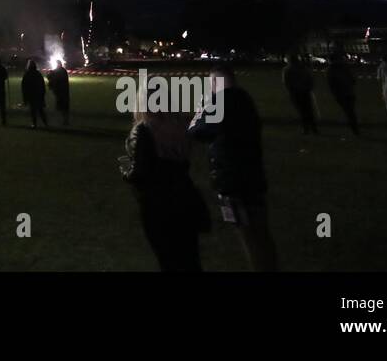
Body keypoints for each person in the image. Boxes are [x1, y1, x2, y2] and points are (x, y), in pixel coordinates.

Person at [188, 64, 277, 272]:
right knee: (262, 234)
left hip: (232, 181)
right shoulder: (245, 98)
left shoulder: (221, 101)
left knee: (249, 236)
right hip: (253, 175)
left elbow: (196, 132)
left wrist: (199, 113)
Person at [121, 107, 210, 270]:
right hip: (184, 195)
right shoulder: (181, 124)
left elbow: (141, 171)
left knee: (168, 259)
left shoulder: (144, 129)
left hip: (158, 203)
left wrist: (126, 171)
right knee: (191, 259)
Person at [325, 50, 360, 136]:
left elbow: (331, 83)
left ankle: (354, 128)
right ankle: (354, 127)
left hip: (341, 93)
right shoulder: (344, 67)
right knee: (350, 111)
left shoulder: (331, 70)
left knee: (349, 111)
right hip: (348, 91)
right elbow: (352, 79)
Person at [281, 54, 317, 135]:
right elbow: (310, 78)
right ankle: (313, 128)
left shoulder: (287, 69)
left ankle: (306, 128)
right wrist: (309, 86)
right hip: (305, 91)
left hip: (296, 92)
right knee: (309, 110)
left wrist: (290, 90)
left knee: (302, 111)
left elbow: (286, 82)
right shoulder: (303, 68)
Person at [21, 59, 48, 128]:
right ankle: (45, 123)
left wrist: (25, 96)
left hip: (31, 94)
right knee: (40, 109)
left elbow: (24, 86)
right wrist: (43, 93)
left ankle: (34, 123)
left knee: (33, 110)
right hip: (38, 94)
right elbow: (42, 84)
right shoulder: (38, 74)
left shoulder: (27, 74)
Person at [47, 59, 71, 125]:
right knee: (63, 107)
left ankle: (64, 120)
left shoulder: (60, 71)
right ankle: (64, 120)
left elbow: (52, 78)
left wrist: (50, 74)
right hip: (63, 91)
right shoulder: (62, 71)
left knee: (62, 106)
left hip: (61, 91)